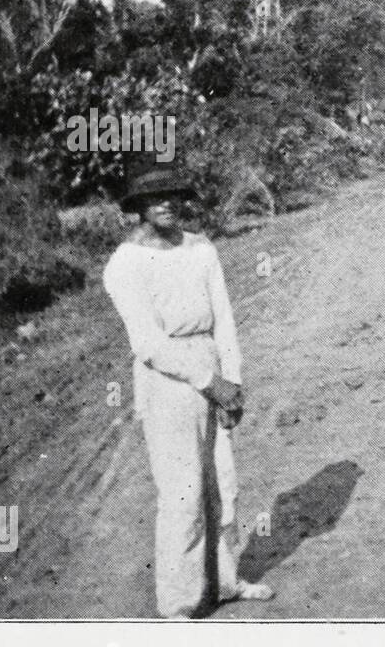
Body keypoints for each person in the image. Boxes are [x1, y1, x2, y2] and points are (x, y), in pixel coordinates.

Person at [102, 158, 273, 618]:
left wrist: (231, 378)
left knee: (223, 485)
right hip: (168, 381)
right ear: (137, 205)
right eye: (153, 197)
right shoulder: (125, 264)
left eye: (172, 195)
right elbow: (149, 343)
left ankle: (223, 582)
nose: (165, 204)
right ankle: (179, 602)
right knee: (183, 492)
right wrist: (209, 382)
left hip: (210, 361)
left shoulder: (200, 248)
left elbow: (224, 316)